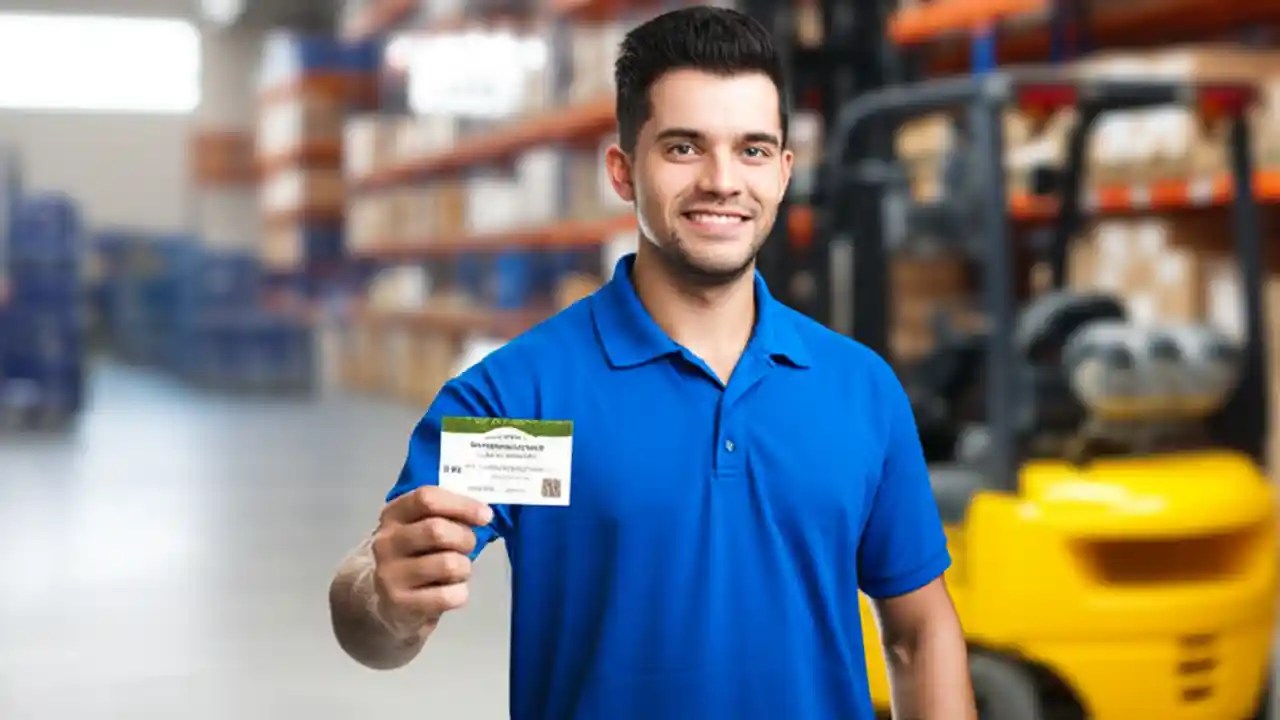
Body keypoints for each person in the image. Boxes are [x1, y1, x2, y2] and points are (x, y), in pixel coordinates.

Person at [329, 6, 976, 719]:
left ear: (785, 172)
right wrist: (385, 604)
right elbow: (372, 611)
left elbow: (918, 632)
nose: (724, 180)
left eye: (753, 150)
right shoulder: (524, 400)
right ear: (622, 169)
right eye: (684, 148)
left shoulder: (859, 392)